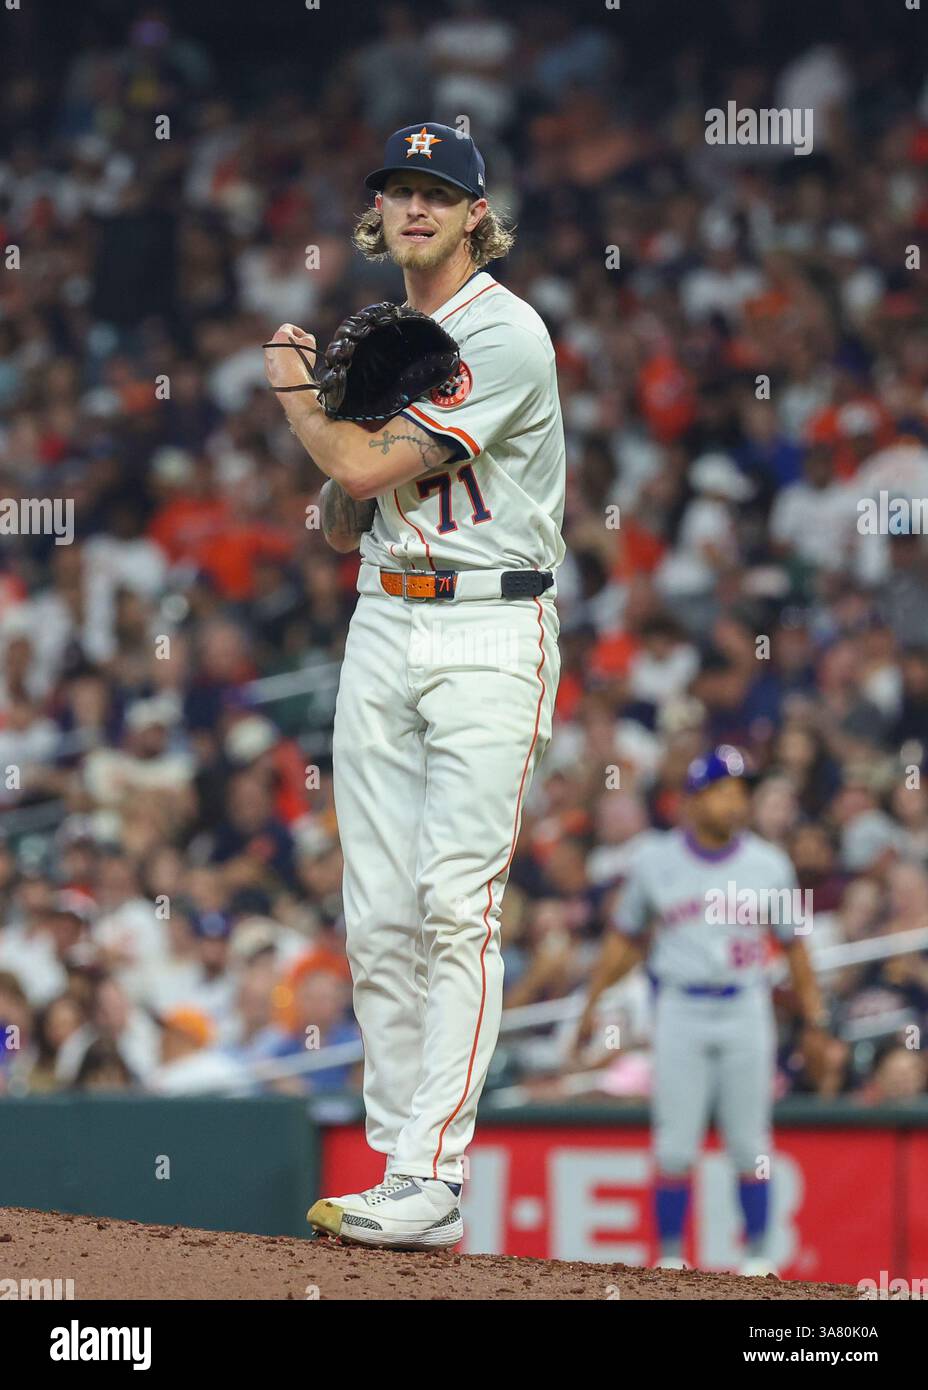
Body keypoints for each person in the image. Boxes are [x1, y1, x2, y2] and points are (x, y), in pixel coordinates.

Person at [263, 122, 564, 1248]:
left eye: (441, 190)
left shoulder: (507, 332)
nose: (418, 205)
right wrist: (344, 422)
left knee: (454, 905)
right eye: (399, 188)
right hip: (386, 614)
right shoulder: (393, 333)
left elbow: (350, 465)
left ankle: (434, 1168)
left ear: (479, 214)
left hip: (492, 624)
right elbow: (348, 520)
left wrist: (303, 400)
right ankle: (403, 1169)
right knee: (378, 913)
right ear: (377, 214)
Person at [574, 746, 830, 1276]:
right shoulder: (653, 860)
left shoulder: (770, 863)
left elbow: (796, 947)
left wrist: (814, 1018)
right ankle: (669, 1259)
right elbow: (624, 939)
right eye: (725, 790)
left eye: (741, 791)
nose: (736, 802)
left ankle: (757, 1260)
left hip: (746, 1008)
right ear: (695, 799)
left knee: (749, 1144)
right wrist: (592, 1002)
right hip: (681, 1010)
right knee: (673, 1147)